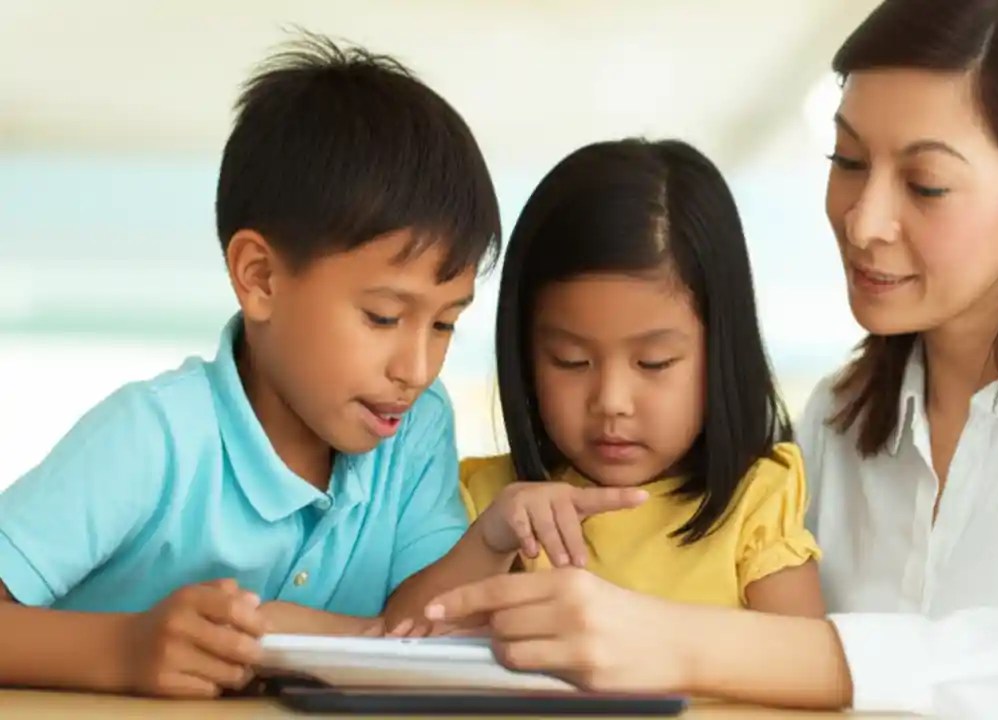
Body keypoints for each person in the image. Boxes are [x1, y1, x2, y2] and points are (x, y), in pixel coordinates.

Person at [419, 1, 998, 717]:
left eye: (925, 184)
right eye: (848, 161)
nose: (863, 220)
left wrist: (678, 641)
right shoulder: (836, 417)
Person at [0, 35, 636, 699]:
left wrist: (492, 535)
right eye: (384, 317)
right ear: (261, 279)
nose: (417, 368)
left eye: (445, 323)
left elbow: (412, 634)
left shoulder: (415, 429)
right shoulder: (153, 437)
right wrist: (125, 651)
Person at [445, 139, 822, 613]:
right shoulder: (487, 502)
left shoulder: (756, 501)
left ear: (722, 351)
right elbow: (407, 645)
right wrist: (489, 543)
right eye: (570, 360)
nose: (612, 401)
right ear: (522, 353)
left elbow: (805, 669)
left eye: (655, 363)